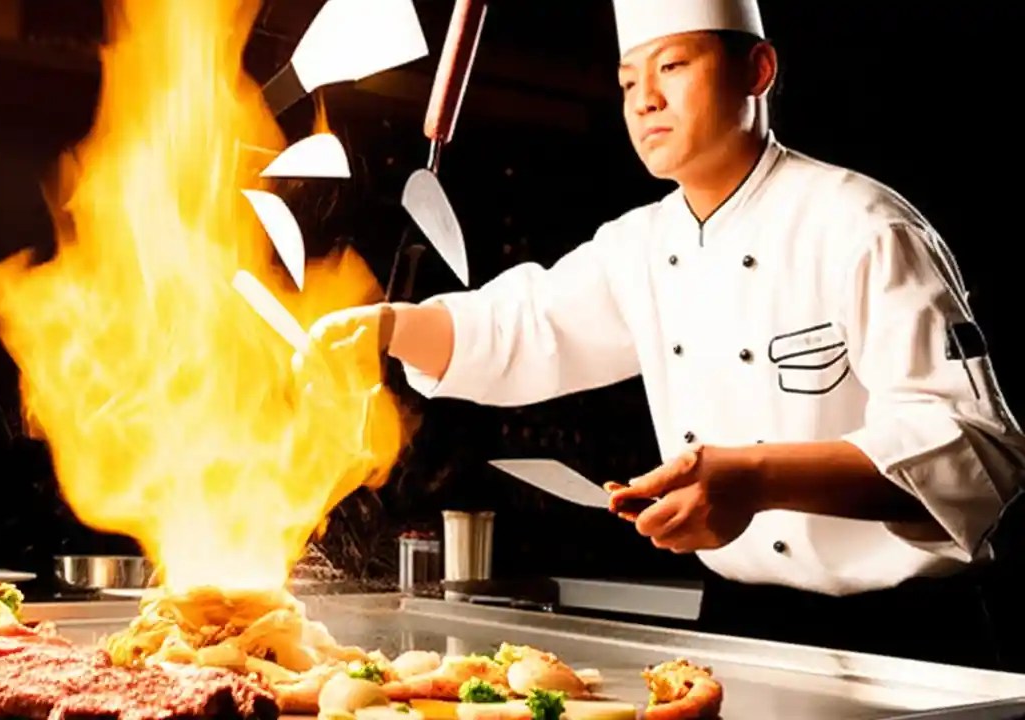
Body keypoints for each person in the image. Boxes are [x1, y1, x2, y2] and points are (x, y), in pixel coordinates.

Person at [297, 0, 1025, 668]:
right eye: (626, 82)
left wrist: (752, 477)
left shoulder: (862, 225)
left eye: (673, 66)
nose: (645, 99)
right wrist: (383, 326)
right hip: (743, 624)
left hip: (908, 634)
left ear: (757, 70)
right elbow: (524, 326)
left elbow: (972, 448)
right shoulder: (642, 245)